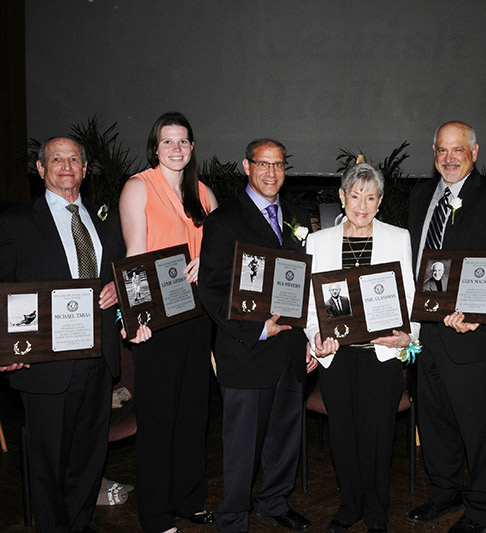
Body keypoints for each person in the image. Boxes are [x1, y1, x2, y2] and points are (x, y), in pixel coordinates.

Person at [0, 137, 126, 532]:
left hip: (98, 358)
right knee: (47, 462)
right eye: (56, 159)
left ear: (86, 170)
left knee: (88, 457)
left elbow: (120, 276)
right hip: (43, 364)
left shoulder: (103, 222)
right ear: (41, 169)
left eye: (74, 159)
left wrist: (119, 290)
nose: (66, 166)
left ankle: (78, 522)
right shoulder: (15, 223)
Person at [406, 121, 486, 533]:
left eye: (458, 150)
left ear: (474, 152)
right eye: (442, 150)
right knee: (435, 423)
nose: (449, 158)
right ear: (434, 152)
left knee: (480, 429)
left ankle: (481, 506)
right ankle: (444, 493)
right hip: (428, 334)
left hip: (474, 337)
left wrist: (477, 314)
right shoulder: (421, 196)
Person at [198, 138, 314, 533]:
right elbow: (211, 290)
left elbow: (306, 284)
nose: (271, 172)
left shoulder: (297, 216)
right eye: (263, 164)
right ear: (246, 167)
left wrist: (310, 339)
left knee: (284, 437)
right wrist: (257, 329)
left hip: (291, 350)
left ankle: (274, 502)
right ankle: (233, 517)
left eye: (279, 165)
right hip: (247, 350)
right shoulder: (224, 220)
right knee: (242, 445)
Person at [305, 162, 419, 533]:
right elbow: (310, 302)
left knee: (378, 436)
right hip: (337, 357)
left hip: (380, 355)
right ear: (342, 197)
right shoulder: (318, 241)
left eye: (370, 197)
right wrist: (315, 338)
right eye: (355, 195)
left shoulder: (397, 237)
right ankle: (349, 505)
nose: (362, 205)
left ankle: (376, 510)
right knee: (343, 435)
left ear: (380, 201)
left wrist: (409, 336)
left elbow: (410, 296)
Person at [118, 112, 218, 533]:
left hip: (198, 318)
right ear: (155, 148)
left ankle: (189, 500)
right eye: (167, 142)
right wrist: (136, 320)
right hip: (159, 322)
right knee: (159, 419)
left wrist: (206, 262)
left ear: (192, 147)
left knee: (194, 414)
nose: (176, 149)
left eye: (183, 142)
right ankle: (154, 513)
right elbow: (135, 261)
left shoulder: (204, 194)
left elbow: (222, 255)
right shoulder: (137, 188)